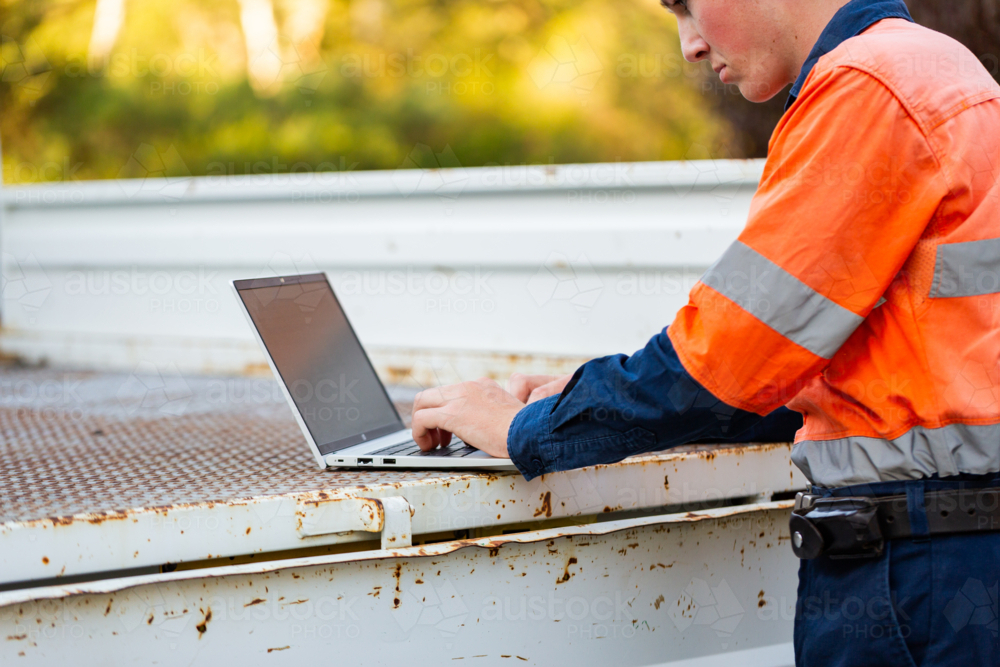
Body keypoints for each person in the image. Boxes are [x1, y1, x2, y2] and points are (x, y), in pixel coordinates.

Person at [410, 0, 1000, 664]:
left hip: (913, 576)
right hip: (948, 563)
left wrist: (526, 430)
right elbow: (800, 374)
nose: (689, 45)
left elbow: (723, 363)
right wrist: (579, 397)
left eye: (686, 6)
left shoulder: (870, 87)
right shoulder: (938, 69)